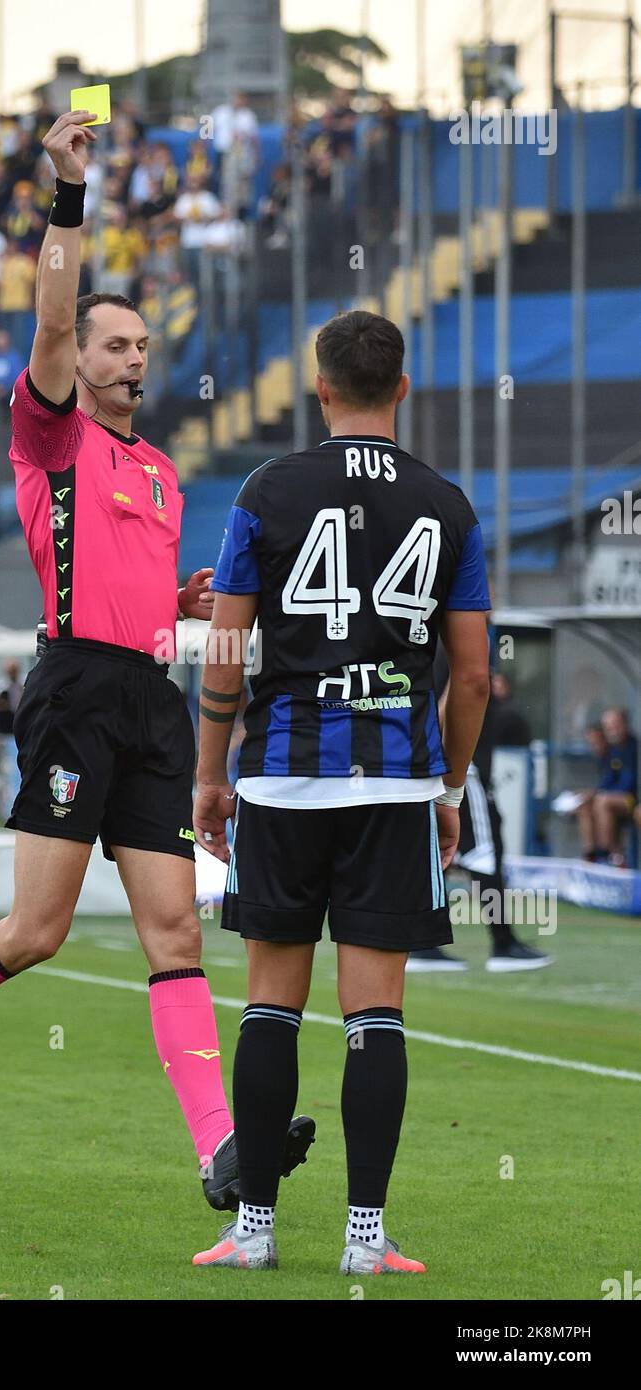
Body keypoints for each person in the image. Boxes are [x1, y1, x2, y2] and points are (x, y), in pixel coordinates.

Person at [0, 111, 312, 1215]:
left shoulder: (158, 472)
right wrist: (67, 194)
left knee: (175, 930)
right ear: (77, 360)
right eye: (113, 346)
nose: (132, 359)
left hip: (151, 699)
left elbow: (132, 585)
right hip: (72, 695)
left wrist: (177, 603)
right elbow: (52, 317)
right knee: (37, 932)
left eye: (142, 347)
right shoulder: (50, 435)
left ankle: (218, 1155)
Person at [191, 309, 491, 1273]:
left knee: (271, 1006)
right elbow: (475, 676)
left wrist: (209, 773)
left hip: (282, 777)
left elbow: (228, 648)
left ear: (320, 388)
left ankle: (255, 1230)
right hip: (396, 787)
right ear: (402, 389)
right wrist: (447, 785)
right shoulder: (448, 505)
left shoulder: (266, 490)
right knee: (377, 1015)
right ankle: (366, 1240)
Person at [408, 644, 552, 973]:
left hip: (441, 761)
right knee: (484, 853)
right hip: (462, 764)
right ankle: (502, 944)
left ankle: (424, 943)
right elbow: (459, 693)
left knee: (440, 852)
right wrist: (441, 745)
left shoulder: (429, 643)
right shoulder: (453, 645)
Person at [576, 707, 638, 866]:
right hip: (614, 797)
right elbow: (607, 780)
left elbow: (629, 784)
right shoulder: (612, 750)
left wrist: (601, 794)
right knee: (585, 804)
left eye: (614, 725)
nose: (611, 730)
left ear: (625, 724)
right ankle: (591, 856)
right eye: (608, 727)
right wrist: (593, 793)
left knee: (603, 802)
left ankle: (611, 855)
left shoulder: (634, 747)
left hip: (632, 799)